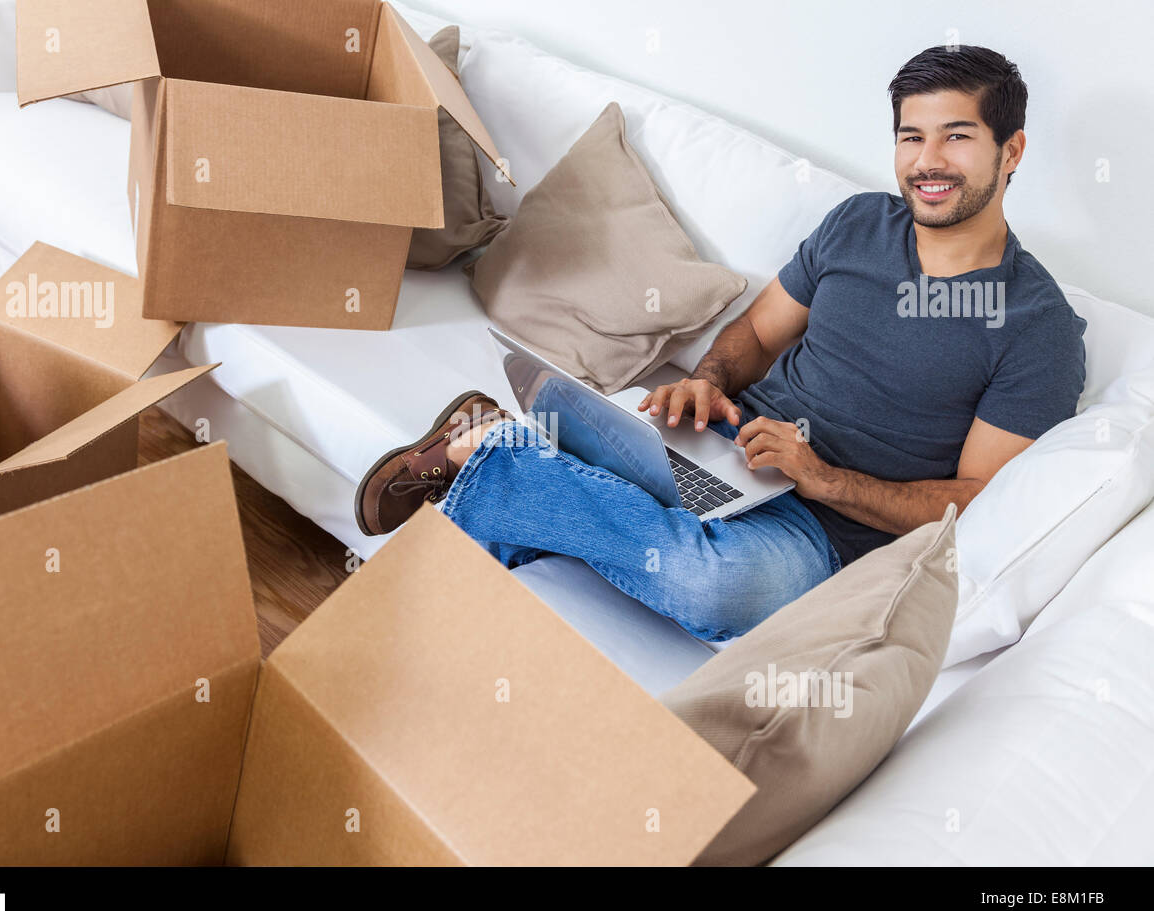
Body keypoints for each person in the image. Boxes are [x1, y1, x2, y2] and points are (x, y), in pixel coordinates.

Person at [353, 45, 1086, 643]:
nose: (928, 161)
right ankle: (507, 471)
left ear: (1010, 150)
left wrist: (824, 478)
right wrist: (707, 382)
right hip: (724, 445)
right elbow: (758, 333)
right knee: (602, 415)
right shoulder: (859, 223)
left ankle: (493, 456)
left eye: (956, 136)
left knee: (714, 587)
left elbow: (974, 501)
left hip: (822, 531)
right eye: (911, 136)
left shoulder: (1036, 327)